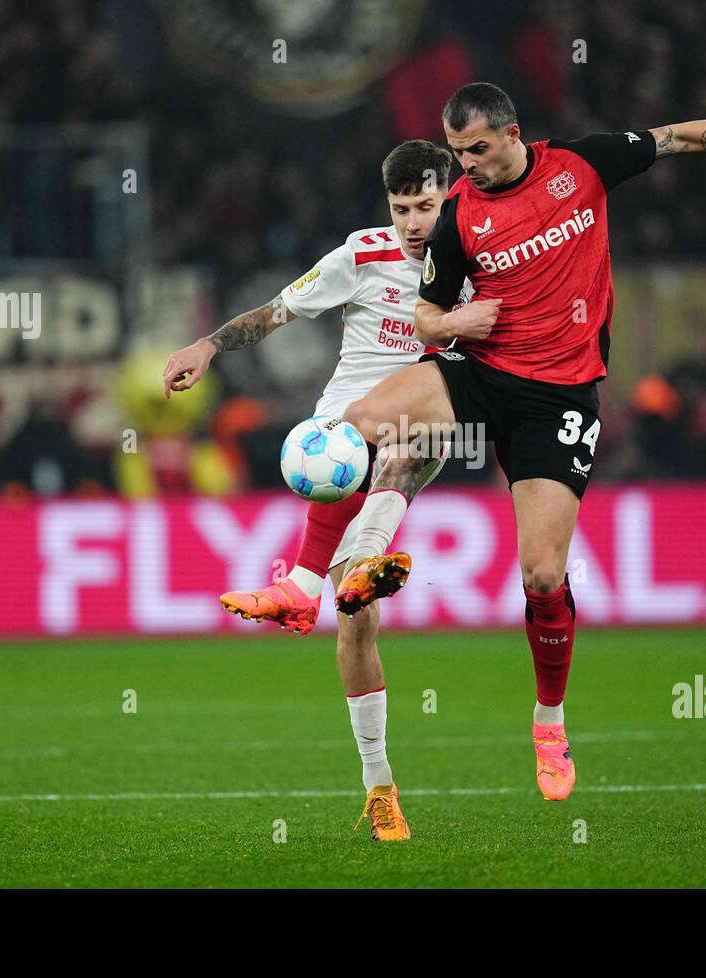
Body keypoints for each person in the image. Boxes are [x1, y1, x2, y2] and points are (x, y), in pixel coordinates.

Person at [334, 82, 706, 803]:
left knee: (541, 575)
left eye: (475, 149)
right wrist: (455, 329)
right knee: (361, 422)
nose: (465, 165)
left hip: (557, 399)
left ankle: (548, 721)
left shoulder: (583, 166)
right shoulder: (458, 221)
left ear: (511, 134)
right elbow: (426, 318)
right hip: (480, 373)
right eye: (455, 153)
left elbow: (680, 136)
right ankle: (364, 554)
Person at [162, 140, 472, 841]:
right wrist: (206, 347)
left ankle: (321, 577)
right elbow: (277, 313)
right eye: (402, 209)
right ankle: (379, 785)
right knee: (357, 623)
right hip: (339, 439)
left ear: (450, 193)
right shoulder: (360, 255)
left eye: (426, 206)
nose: (415, 222)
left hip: (421, 419)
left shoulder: (479, 257)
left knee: (406, 437)